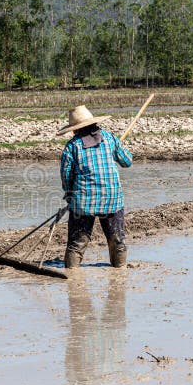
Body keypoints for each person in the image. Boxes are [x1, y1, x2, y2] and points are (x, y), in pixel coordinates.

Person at [58, 105, 132, 268]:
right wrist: (117, 147)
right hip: (112, 198)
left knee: (76, 244)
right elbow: (127, 161)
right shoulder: (110, 138)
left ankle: (72, 276)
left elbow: (66, 177)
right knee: (117, 241)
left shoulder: (72, 146)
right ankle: (120, 271)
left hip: (83, 202)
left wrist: (70, 195)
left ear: (75, 130)